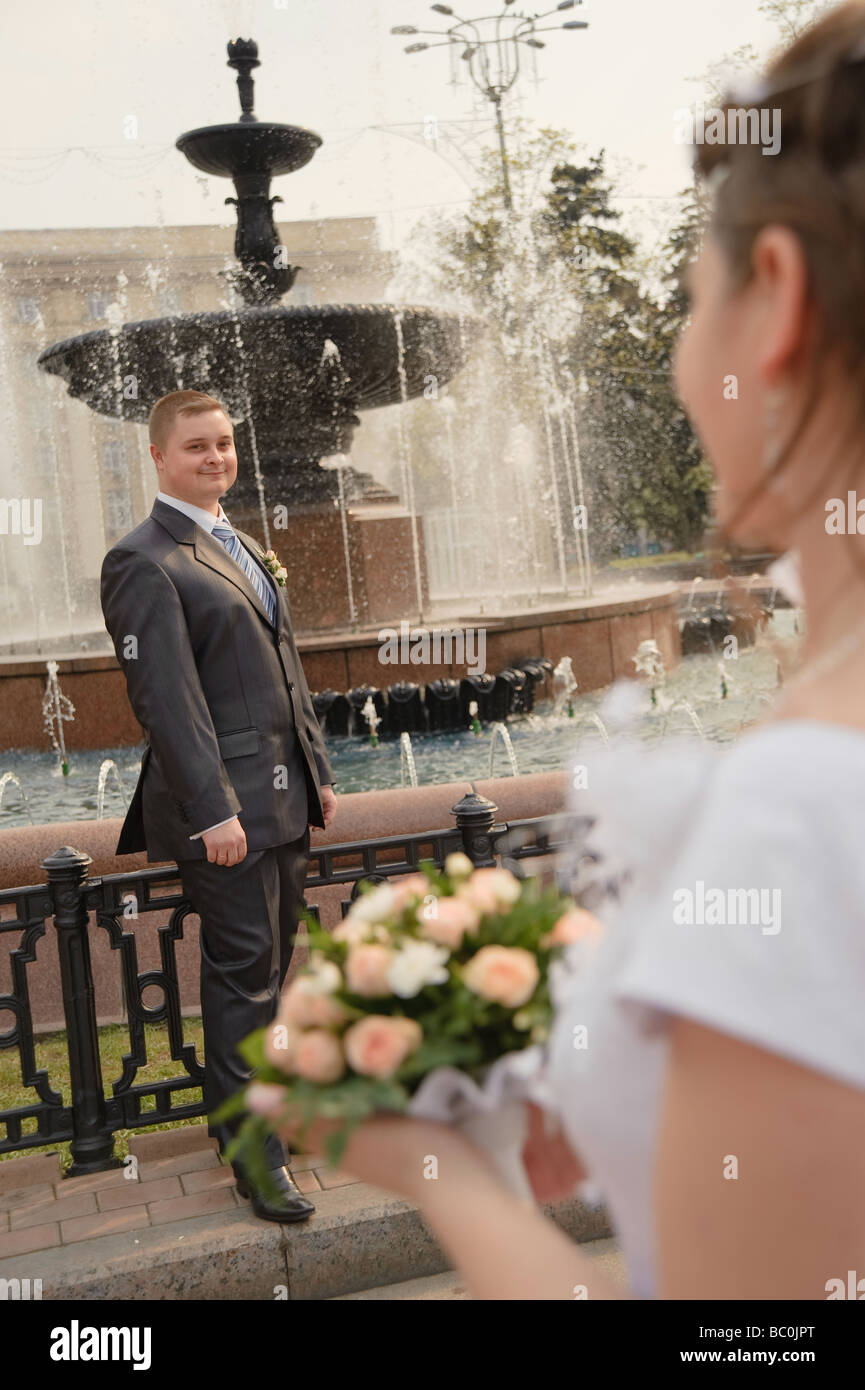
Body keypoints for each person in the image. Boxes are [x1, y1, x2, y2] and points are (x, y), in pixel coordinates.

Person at [257, 1, 865, 1296]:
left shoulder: (807, 807)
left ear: (779, 311)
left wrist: (434, 1172)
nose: (679, 353)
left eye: (694, 301)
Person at [100, 389, 337, 1224]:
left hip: (283, 802)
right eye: (197, 446)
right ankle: (253, 1160)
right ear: (161, 458)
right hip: (226, 817)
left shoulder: (238, 546)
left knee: (271, 977)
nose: (215, 457)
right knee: (244, 981)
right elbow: (167, 702)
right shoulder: (143, 559)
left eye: (225, 443)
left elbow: (284, 666)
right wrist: (213, 813)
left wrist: (316, 769)